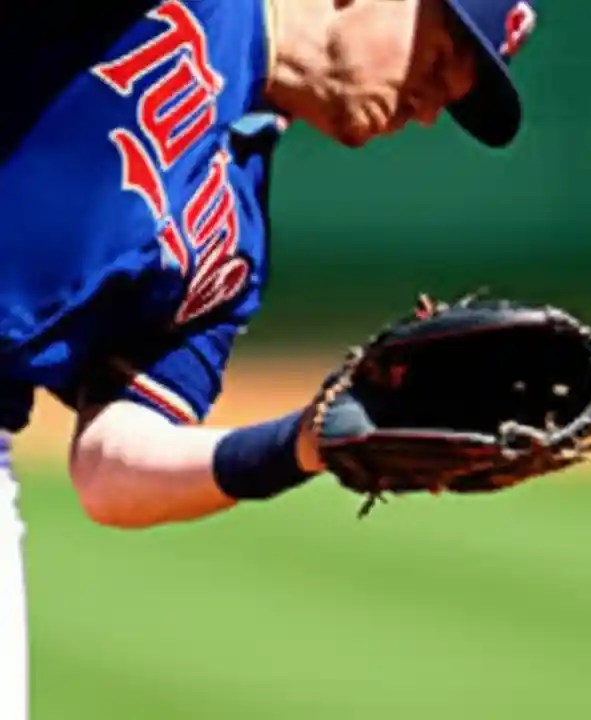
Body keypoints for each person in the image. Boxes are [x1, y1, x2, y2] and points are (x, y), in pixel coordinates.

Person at [0, 0, 540, 715]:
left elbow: (110, 466)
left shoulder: (233, 240)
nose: (431, 109)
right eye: (440, 57)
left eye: (454, 99)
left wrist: (302, 444)